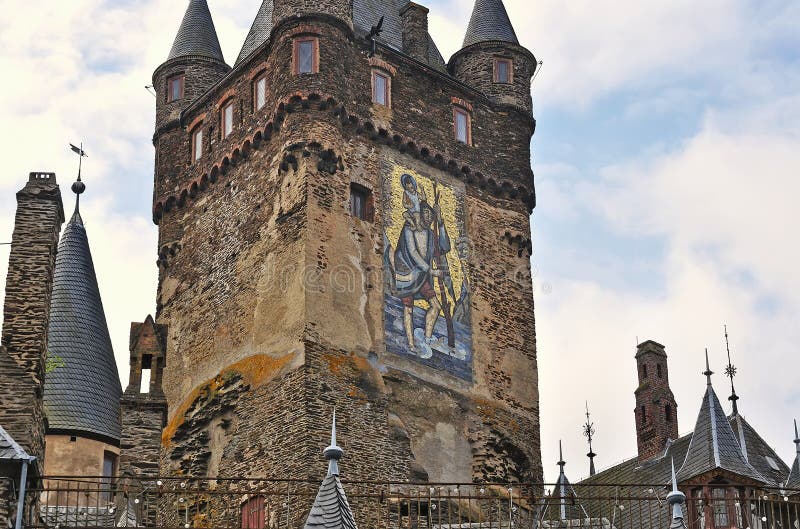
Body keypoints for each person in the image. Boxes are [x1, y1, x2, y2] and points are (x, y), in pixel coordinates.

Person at [393, 201, 451, 354]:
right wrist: (430, 271)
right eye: (427, 213)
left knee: (436, 306)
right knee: (408, 309)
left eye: (431, 215)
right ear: (420, 212)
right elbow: (412, 251)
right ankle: (411, 345)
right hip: (406, 273)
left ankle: (427, 339)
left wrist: (441, 223)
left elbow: (445, 247)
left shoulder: (431, 234)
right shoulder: (409, 228)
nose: (429, 217)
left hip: (421, 276)